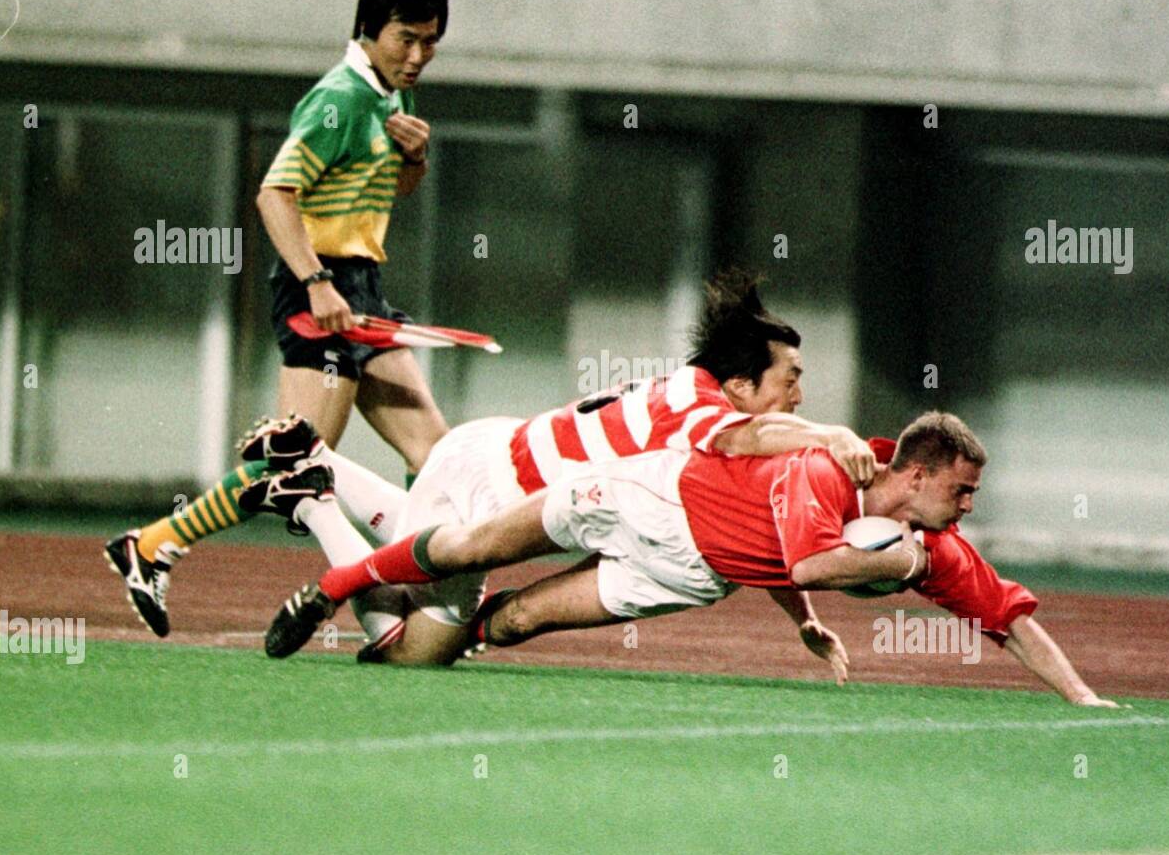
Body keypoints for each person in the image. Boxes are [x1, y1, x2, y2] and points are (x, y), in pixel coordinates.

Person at [249, 271, 877, 676]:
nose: (799, 396)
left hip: (488, 457)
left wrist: (802, 617)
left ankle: (322, 466)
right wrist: (834, 433)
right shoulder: (702, 406)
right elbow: (760, 434)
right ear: (741, 385)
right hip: (492, 492)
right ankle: (317, 501)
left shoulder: (705, 403)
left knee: (417, 565)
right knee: (413, 650)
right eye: (791, 379)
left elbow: (754, 521)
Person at [271, 411, 1122, 707]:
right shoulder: (827, 467)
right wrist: (883, 571)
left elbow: (1007, 613)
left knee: (514, 619)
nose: (968, 509)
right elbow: (808, 561)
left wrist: (1083, 696)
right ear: (920, 473)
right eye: (962, 492)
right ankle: (335, 575)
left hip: (685, 571)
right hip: (648, 495)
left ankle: (319, 497)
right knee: (466, 545)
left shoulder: (928, 546)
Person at [104, 0, 452, 636]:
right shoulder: (338, 101)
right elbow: (274, 196)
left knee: (434, 457)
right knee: (294, 465)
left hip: (364, 291)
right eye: (406, 40)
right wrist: (318, 282)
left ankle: (407, 594)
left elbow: (388, 190)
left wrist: (418, 160)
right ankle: (150, 547)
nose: (416, 57)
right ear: (367, 31)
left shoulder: (396, 91)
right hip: (317, 287)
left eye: (430, 44)